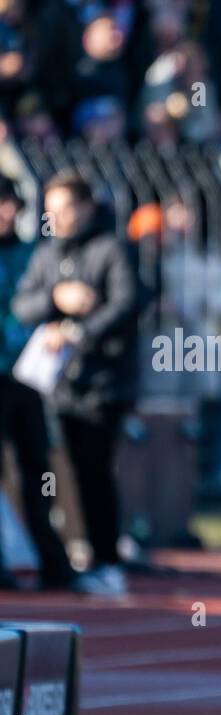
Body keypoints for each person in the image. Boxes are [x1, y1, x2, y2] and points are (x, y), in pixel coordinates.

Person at [12, 170, 138, 596]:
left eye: (66, 210)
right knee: (55, 472)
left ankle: (107, 557)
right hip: (57, 384)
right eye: (52, 213)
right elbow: (23, 304)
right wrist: (55, 301)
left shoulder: (112, 249)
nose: (59, 220)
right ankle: (67, 554)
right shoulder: (47, 255)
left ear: (86, 207)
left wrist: (80, 331)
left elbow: (128, 302)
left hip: (104, 384)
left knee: (94, 470)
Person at [0, 174, 79, 592]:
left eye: (10, 203)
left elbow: (41, 302)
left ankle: (52, 560)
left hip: (28, 376)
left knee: (38, 471)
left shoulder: (35, 253)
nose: (6, 211)